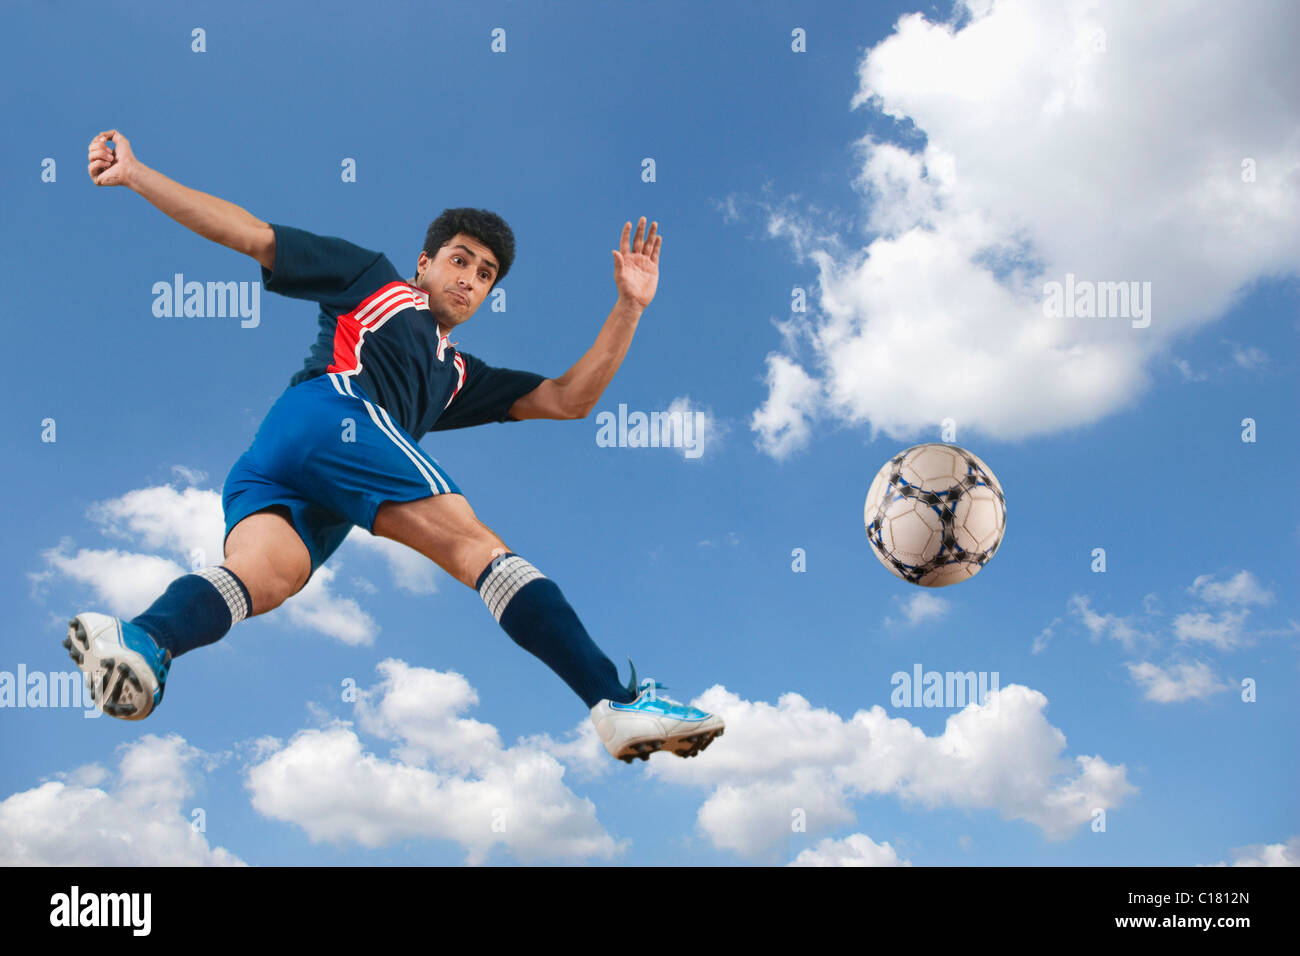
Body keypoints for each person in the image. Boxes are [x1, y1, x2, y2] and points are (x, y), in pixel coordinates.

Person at [64, 129, 723, 763]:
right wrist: (137, 176)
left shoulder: (458, 375)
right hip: (330, 415)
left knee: (268, 577)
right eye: (459, 260)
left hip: (284, 472)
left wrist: (629, 308)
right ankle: (613, 699)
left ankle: (144, 638)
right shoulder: (377, 283)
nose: (469, 277)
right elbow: (254, 236)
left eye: (485, 273)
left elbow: (567, 400)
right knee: (474, 545)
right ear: (425, 264)